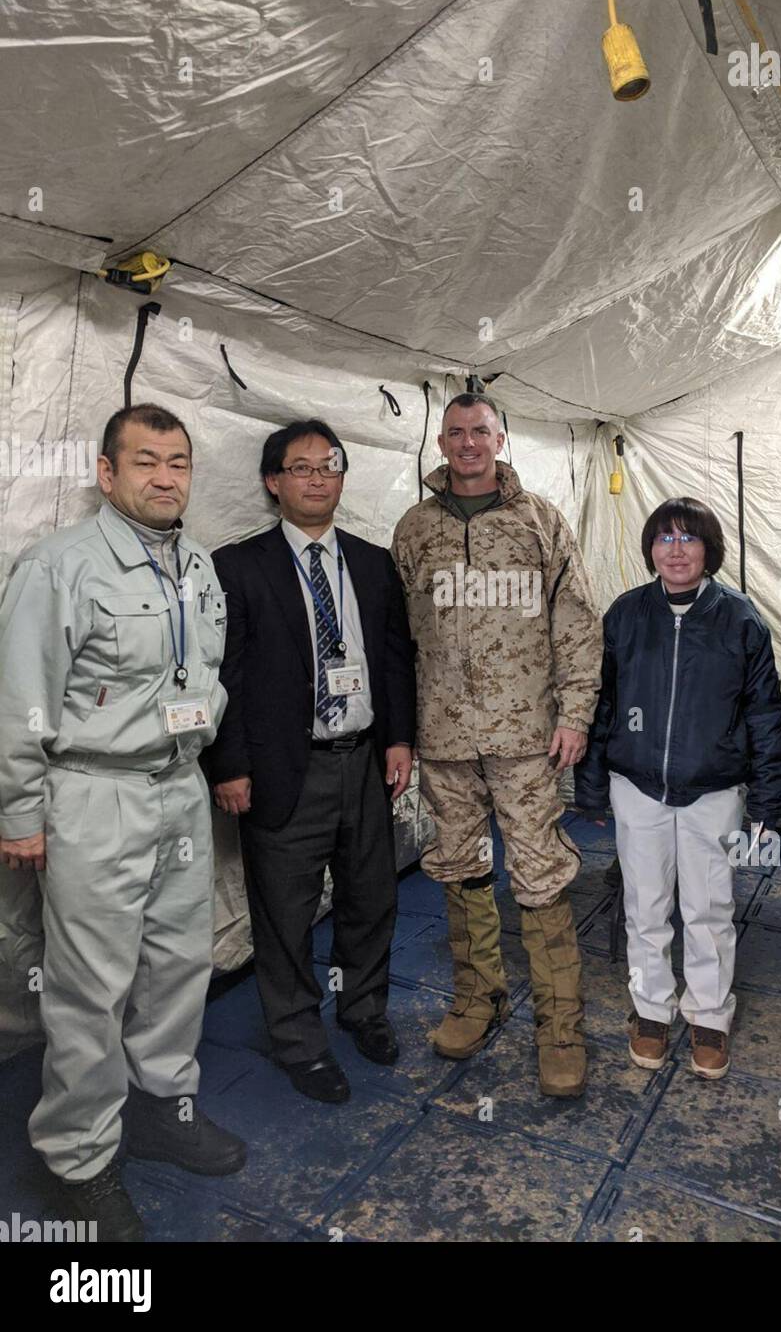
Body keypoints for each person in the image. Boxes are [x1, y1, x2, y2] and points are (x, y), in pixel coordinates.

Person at [0, 403, 244, 1243]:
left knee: (179, 961)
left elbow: (205, 670)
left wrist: (202, 729)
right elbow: (20, 698)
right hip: (94, 794)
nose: (165, 477)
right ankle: (77, 1156)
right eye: (146, 461)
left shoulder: (197, 566)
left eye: (178, 462)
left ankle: (159, 1108)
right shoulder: (59, 566)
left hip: (177, 783)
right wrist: (21, 811)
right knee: (90, 986)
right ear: (106, 474)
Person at [392, 392, 602, 1098]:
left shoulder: (539, 521)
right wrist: (403, 730)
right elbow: (398, 636)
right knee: (457, 867)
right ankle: (477, 999)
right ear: (442, 442)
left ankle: (560, 1028)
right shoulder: (415, 529)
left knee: (540, 874)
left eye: (479, 431)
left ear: (501, 438)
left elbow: (576, 622)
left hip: (524, 738)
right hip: (444, 736)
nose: (467, 443)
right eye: (454, 433)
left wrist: (574, 714)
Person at [206, 421, 415, 1105]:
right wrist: (229, 766)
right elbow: (224, 675)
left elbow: (392, 659)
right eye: (301, 468)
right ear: (274, 483)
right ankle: (298, 1041)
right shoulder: (238, 567)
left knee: (370, 899)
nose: (318, 478)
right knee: (285, 917)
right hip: (281, 770)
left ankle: (362, 1012)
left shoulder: (373, 561)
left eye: (329, 465)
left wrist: (398, 740)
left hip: (362, 762)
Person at [575, 498, 781, 1079]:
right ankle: (650, 1010)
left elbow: (766, 714)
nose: (676, 549)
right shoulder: (625, 615)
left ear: (708, 550)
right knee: (645, 907)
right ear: (650, 549)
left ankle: (709, 1017)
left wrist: (770, 798)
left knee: (708, 908)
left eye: (688, 539)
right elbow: (602, 704)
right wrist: (591, 786)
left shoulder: (741, 620)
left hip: (713, 791)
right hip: (637, 786)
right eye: (664, 538)